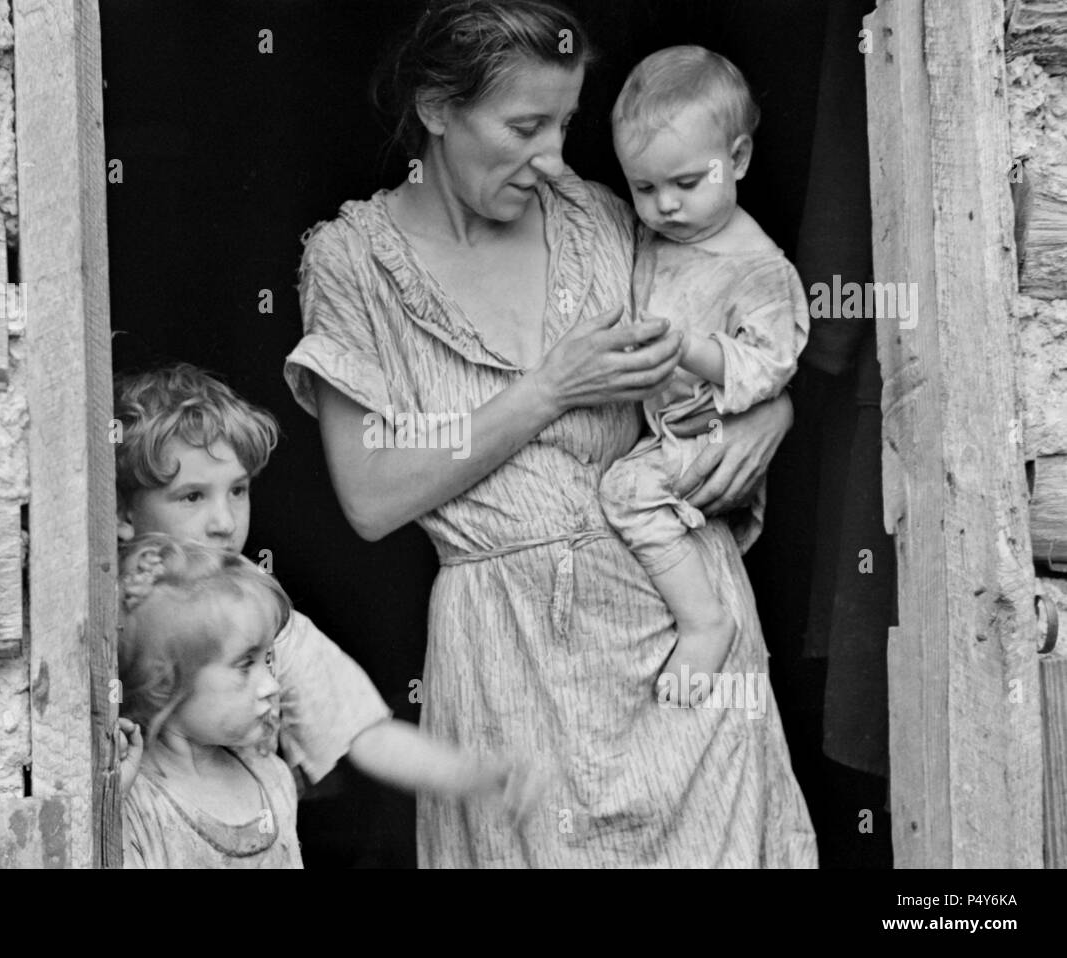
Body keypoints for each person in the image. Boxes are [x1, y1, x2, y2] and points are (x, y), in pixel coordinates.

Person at [285, 0, 816, 866]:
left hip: (685, 647)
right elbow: (372, 496)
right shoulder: (353, 263)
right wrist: (548, 391)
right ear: (436, 109)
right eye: (526, 125)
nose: (555, 157)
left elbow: (737, 321)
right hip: (508, 661)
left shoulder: (606, 218)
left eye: (565, 124)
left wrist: (772, 409)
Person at [112, 363, 545, 856]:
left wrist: (466, 773)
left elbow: (361, 730)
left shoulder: (264, 622)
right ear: (125, 513)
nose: (223, 521)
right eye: (192, 496)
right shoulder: (108, 623)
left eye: (238, 490)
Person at [598, 46, 810, 707]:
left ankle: (705, 622)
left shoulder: (758, 270)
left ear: (739, 160)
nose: (663, 205)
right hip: (668, 433)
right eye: (643, 188)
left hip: (715, 437)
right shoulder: (658, 239)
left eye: (686, 184)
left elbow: (768, 363)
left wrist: (689, 348)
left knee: (627, 491)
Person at [117, 533, 303, 868]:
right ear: (165, 684)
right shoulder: (137, 805)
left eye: (268, 660)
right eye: (246, 664)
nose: (271, 685)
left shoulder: (272, 777)